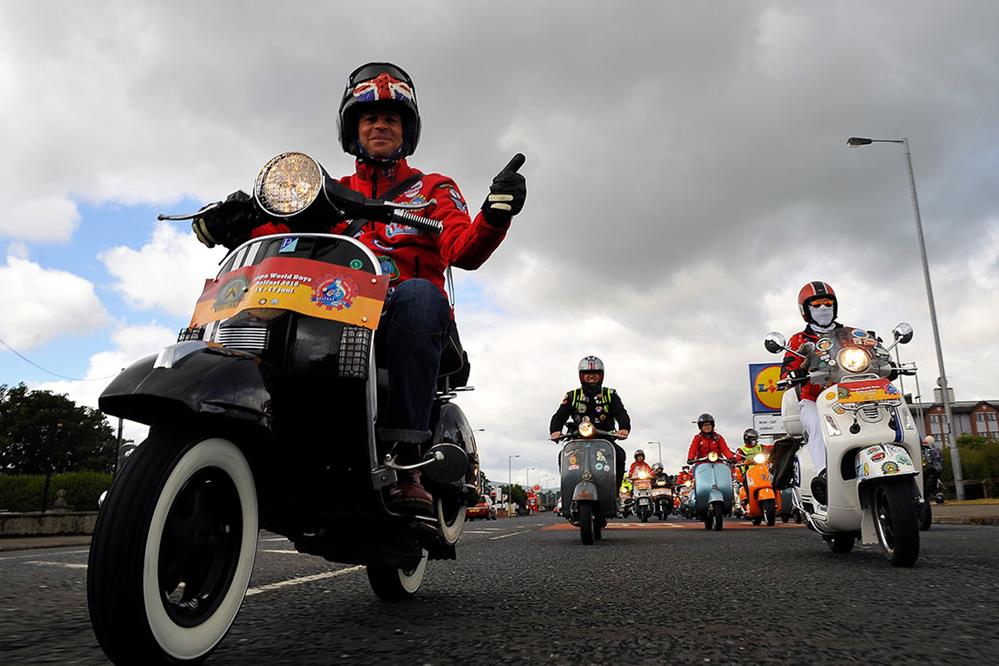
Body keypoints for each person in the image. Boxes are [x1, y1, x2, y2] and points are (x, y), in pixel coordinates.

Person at [190, 62, 527, 515]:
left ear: (406, 130)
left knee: (420, 295)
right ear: (354, 128)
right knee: (262, 300)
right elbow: (270, 232)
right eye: (370, 117)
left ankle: (407, 460)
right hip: (329, 308)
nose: (381, 124)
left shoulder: (433, 188)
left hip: (400, 315)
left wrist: (495, 214)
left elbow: (463, 249)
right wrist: (228, 223)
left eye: (392, 117)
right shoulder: (322, 192)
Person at [780, 281, 859, 505]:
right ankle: (825, 477)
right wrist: (797, 371)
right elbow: (787, 367)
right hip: (815, 400)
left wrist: (885, 358)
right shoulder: (799, 340)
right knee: (814, 426)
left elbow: (873, 349)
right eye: (816, 304)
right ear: (806, 310)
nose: (823, 308)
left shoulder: (850, 334)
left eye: (828, 303)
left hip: (851, 398)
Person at [549, 356, 631, 489]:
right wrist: (555, 431)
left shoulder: (610, 394)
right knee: (562, 456)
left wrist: (624, 428)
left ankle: (614, 495)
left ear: (601, 375)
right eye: (587, 374)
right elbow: (559, 416)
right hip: (577, 440)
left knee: (619, 454)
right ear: (581, 376)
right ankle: (567, 494)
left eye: (595, 374)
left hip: (605, 440)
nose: (591, 377)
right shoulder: (572, 396)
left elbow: (621, 413)